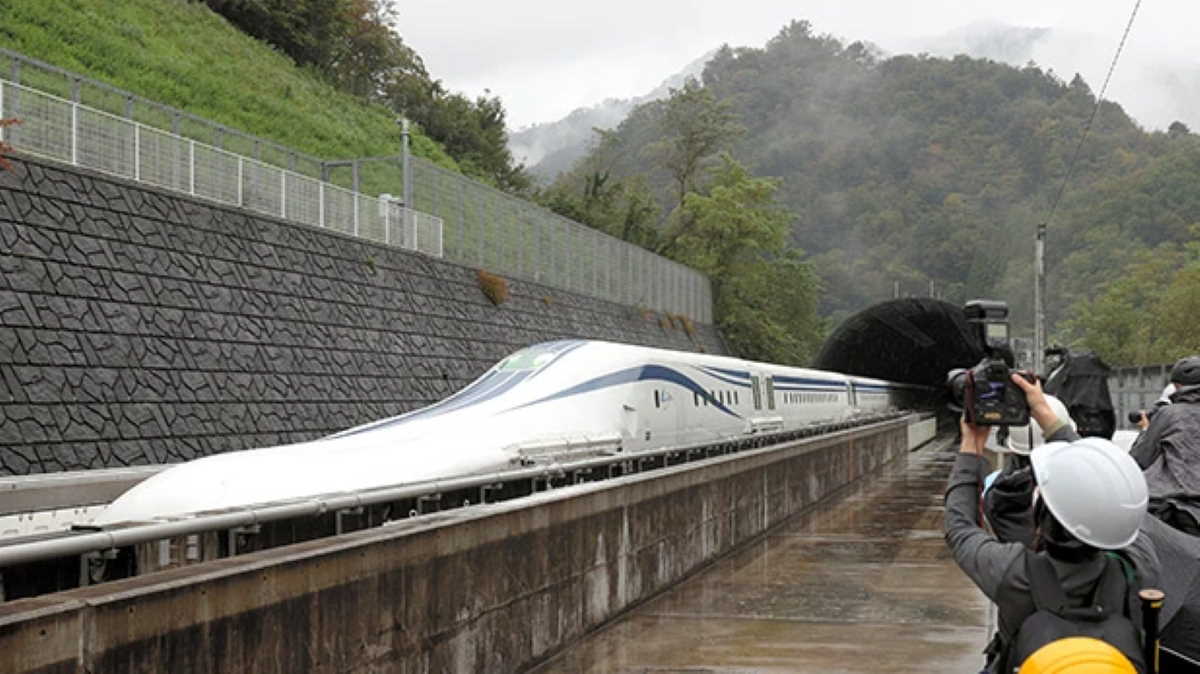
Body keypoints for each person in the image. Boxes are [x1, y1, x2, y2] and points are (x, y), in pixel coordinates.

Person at [945, 375, 1158, 673]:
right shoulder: (1139, 566)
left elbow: (959, 527)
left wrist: (972, 446)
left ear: (1041, 518)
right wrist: (1049, 418)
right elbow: (1109, 495)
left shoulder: (1013, 573)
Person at [1130, 355, 1200, 536]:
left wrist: (1146, 430)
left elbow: (1139, 459)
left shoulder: (1169, 414)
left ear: (1176, 387)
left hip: (1180, 507)